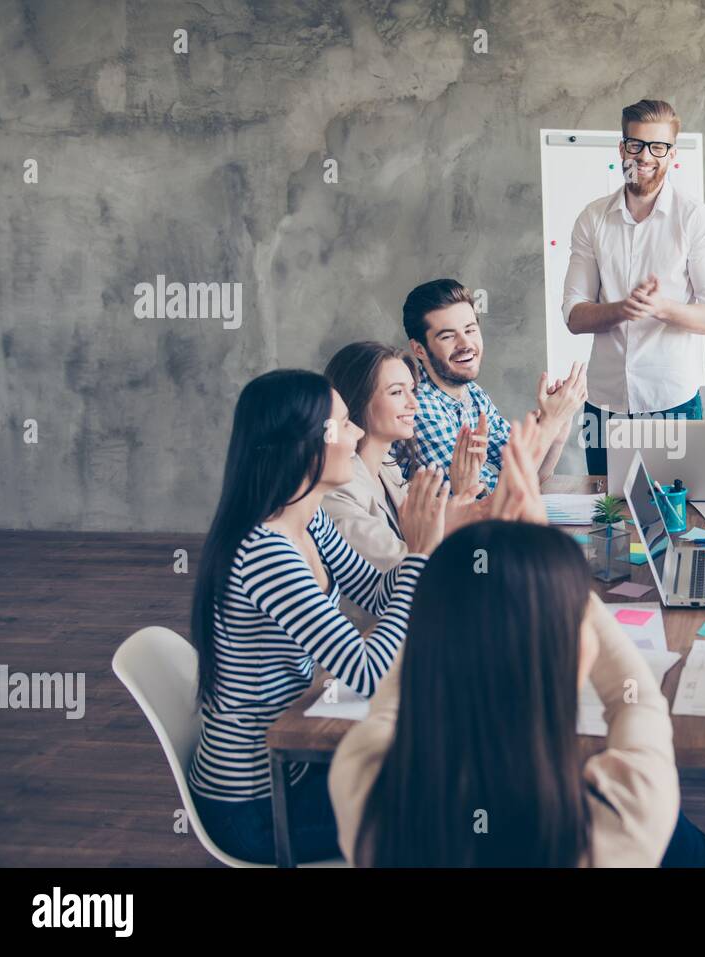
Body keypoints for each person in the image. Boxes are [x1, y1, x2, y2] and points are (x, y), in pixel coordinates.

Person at [328, 423, 685, 866]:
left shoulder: (365, 787)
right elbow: (635, 699)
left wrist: (425, 555)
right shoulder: (622, 818)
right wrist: (550, 564)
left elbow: (394, 697)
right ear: (575, 657)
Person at [187, 369, 449, 864]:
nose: (356, 435)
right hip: (255, 808)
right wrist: (417, 555)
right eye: (346, 424)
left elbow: (375, 591)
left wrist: (426, 549)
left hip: (297, 764)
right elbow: (370, 673)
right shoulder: (264, 549)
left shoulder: (307, 518)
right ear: (310, 443)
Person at [562, 98, 705, 477]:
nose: (645, 156)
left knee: (679, 521)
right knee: (608, 520)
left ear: (672, 154)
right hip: (605, 406)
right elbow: (574, 315)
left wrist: (661, 308)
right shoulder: (592, 219)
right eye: (636, 144)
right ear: (622, 147)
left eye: (658, 147)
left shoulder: (696, 220)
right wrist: (623, 308)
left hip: (672, 401)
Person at [321, 341, 484, 626]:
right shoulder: (337, 493)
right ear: (356, 401)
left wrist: (464, 487)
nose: (413, 403)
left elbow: (431, 541)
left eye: (412, 390)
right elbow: (411, 575)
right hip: (375, 643)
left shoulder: (387, 467)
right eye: (397, 392)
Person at [401, 278, 587, 493]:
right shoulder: (419, 406)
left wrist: (558, 431)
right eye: (448, 336)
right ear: (419, 350)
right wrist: (550, 423)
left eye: (470, 330)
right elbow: (492, 500)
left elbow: (530, 476)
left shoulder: (473, 393)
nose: (465, 345)